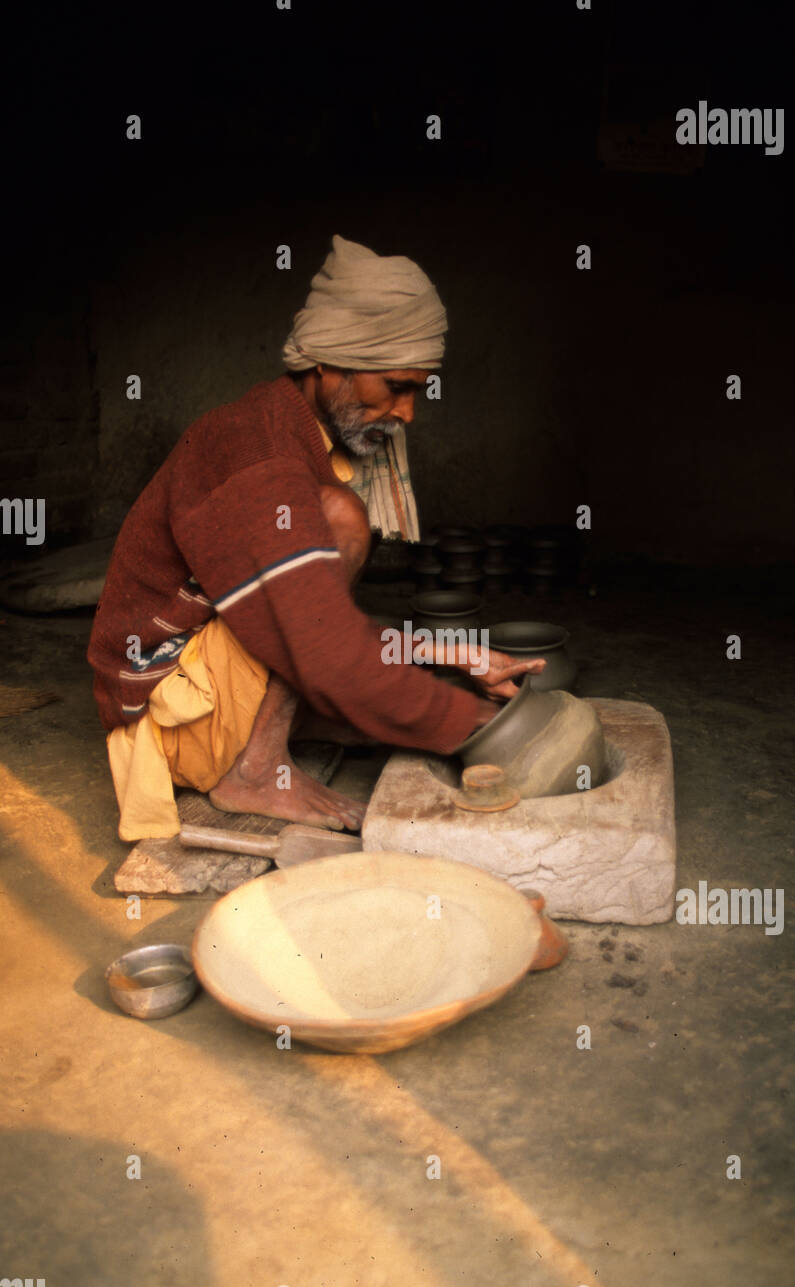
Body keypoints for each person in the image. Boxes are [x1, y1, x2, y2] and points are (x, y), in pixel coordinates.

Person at [87, 234, 542, 842]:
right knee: (342, 526)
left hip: (202, 675)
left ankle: (273, 734)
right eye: (397, 387)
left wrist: (461, 654)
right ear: (328, 364)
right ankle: (254, 769)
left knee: (339, 599)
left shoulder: (289, 431)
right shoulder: (256, 454)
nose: (408, 413)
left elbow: (320, 624)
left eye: (419, 391)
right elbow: (324, 646)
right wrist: (478, 725)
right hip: (162, 708)